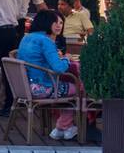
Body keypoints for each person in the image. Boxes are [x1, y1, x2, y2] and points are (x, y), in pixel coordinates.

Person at [17, 9, 78, 140]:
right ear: (45, 23)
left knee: (67, 86)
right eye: (54, 22)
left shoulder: (26, 37)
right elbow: (59, 69)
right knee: (78, 88)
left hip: (24, 87)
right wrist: (67, 58)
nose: (58, 25)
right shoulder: (46, 41)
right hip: (42, 88)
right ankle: (64, 126)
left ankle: (63, 128)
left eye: (61, 23)